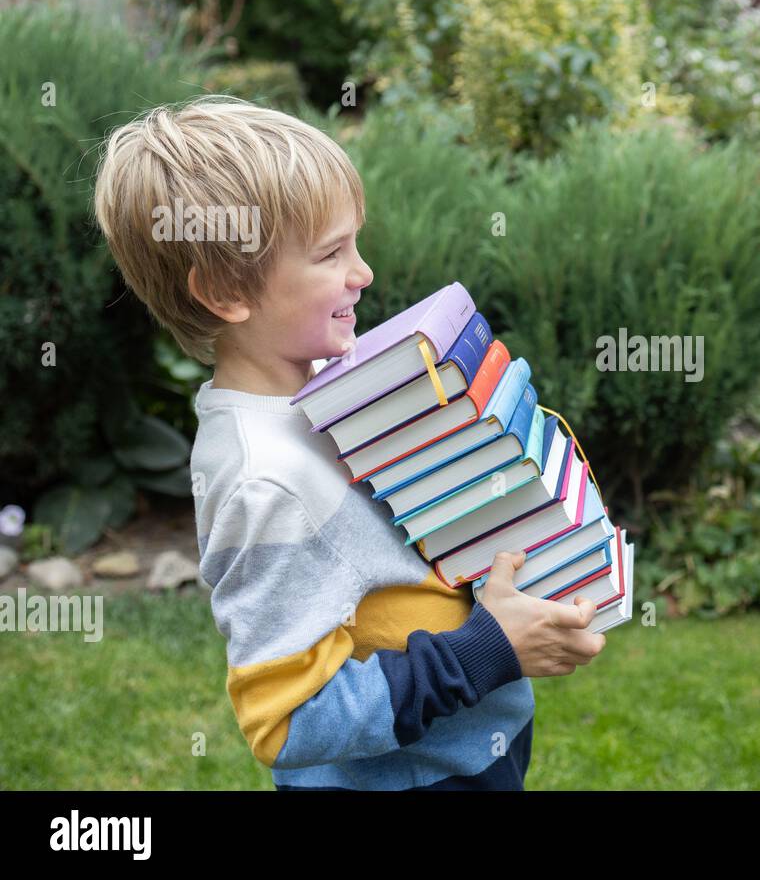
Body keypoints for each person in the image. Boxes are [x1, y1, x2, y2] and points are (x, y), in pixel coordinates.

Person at [93, 97, 604, 789]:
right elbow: (288, 721)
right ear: (224, 292)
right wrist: (490, 650)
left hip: (470, 747)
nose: (362, 273)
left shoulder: (329, 386)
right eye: (332, 254)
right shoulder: (263, 482)